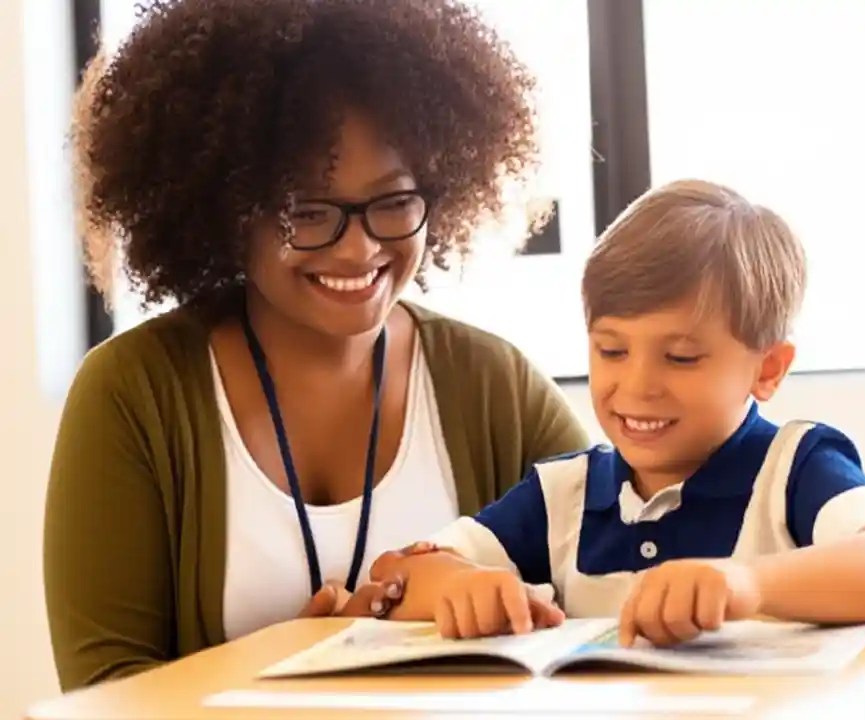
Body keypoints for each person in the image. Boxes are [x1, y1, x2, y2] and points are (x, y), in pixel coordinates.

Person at [45, 0, 588, 691]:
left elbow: (614, 596)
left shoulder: (494, 386)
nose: (358, 247)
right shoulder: (133, 396)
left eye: (392, 201)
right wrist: (307, 661)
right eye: (305, 211)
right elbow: (105, 696)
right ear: (225, 206)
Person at [375, 180, 865, 647]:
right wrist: (460, 585)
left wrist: (749, 583)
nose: (638, 385)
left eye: (681, 357)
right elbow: (401, 575)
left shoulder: (794, 468)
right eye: (611, 350)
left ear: (767, 369)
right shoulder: (564, 495)